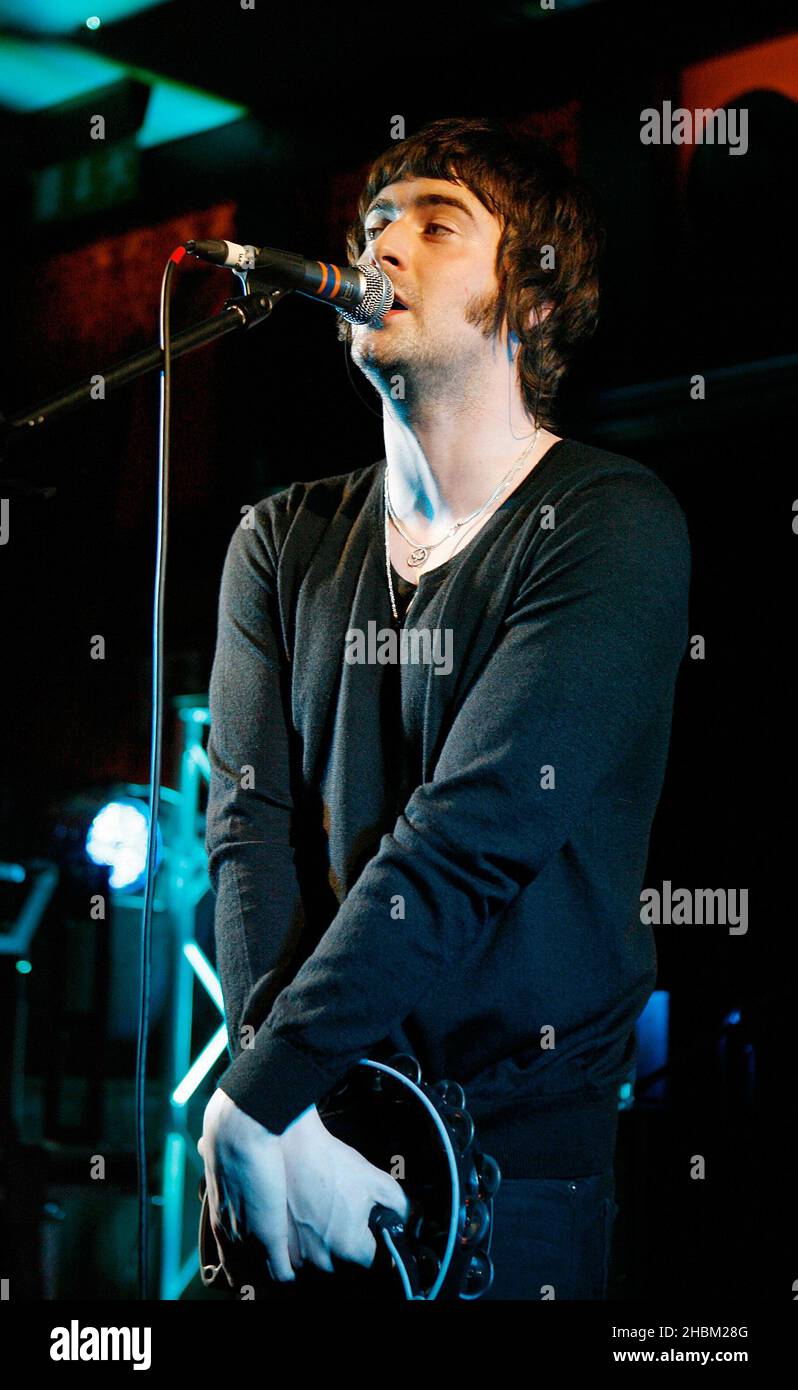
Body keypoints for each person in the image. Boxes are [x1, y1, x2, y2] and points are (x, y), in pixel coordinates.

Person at [198, 115, 691, 1300]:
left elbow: (473, 836)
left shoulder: (612, 523)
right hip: (307, 1132)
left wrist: (259, 1100)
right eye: (373, 226)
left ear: (529, 294)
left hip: (511, 1174)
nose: (383, 250)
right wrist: (285, 1105)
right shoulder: (279, 541)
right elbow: (246, 832)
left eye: (436, 224)